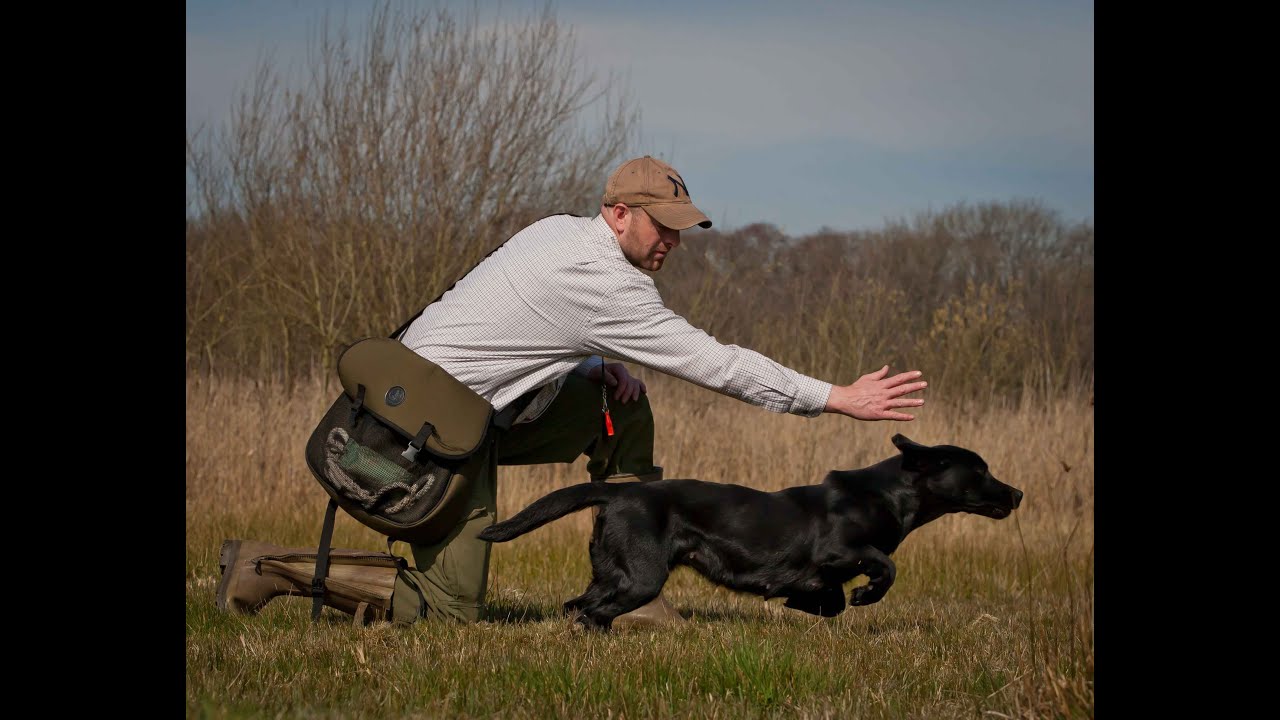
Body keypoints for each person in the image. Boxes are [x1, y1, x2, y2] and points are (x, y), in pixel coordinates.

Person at [216, 155, 928, 628]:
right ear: (618, 212)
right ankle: (266, 567)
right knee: (448, 608)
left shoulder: (556, 233)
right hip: (419, 448)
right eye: (662, 228)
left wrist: (589, 368)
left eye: (682, 231)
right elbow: (718, 364)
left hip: (436, 412)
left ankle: (631, 584)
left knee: (622, 401)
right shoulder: (610, 288)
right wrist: (832, 396)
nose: (672, 244)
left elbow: (511, 328)